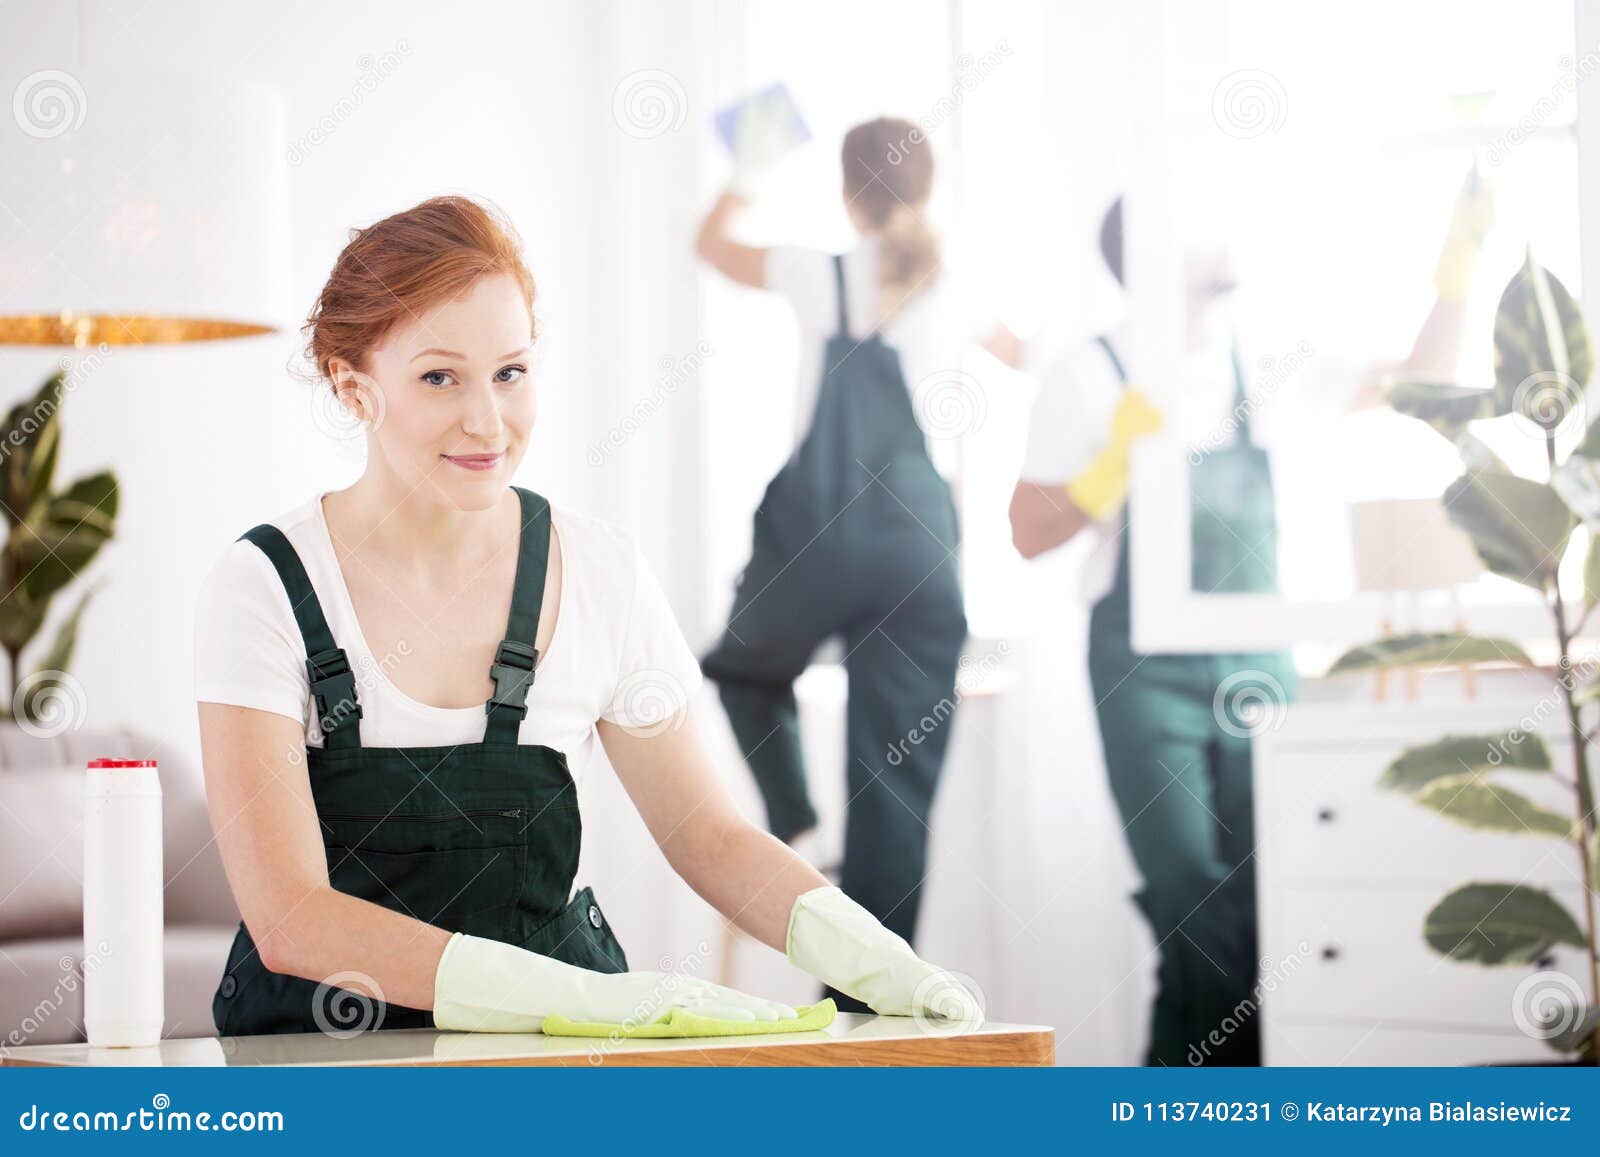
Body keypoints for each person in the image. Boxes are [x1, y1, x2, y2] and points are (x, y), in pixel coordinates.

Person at [194, 194, 980, 1037]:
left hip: (556, 1070)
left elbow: (708, 835)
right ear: (355, 388)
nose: (486, 421)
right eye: (437, 376)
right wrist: (573, 996)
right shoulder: (268, 583)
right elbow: (291, 917)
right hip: (321, 1062)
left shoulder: (598, 571)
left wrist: (879, 958)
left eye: (510, 371)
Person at [1009, 173, 1493, 1065]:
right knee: (1193, 902)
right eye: (1194, 230)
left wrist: (1457, 271)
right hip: (1144, 675)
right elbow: (1026, 531)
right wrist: (1103, 470)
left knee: (1273, 899)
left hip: (1260, 664)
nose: (1220, 242)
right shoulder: (1092, 372)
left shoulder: (1263, 359)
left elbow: (1426, 382)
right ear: (1149, 260)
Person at [693, 118, 1021, 1009]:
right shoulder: (952, 280)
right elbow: (1028, 354)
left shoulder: (817, 269)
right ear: (929, 187)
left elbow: (712, 246)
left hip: (817, 535)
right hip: (919, 552)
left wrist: (751, 160)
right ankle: (874, 1015)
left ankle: (794, 823)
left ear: (847, 193)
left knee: (739, 665)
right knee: (896, 784)